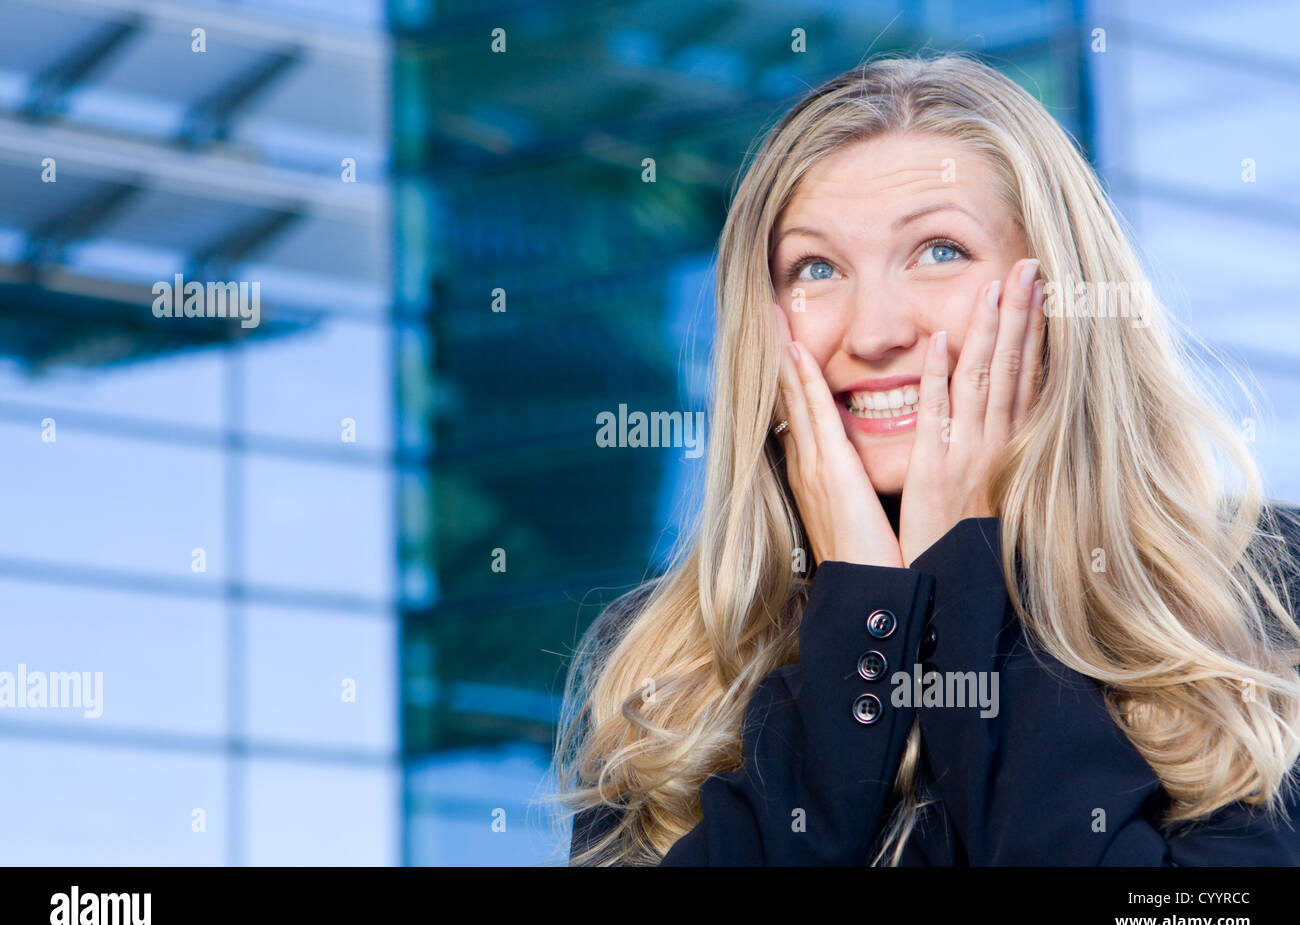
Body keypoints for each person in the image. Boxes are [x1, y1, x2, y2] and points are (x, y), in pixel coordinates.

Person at [549, 53, 1300, 866]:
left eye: (938, 250)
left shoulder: (1267, 599)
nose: (873, 333)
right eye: (816, 268)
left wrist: (964, 575)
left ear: (1061, 297)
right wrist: (866, 618)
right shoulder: (664, 666)